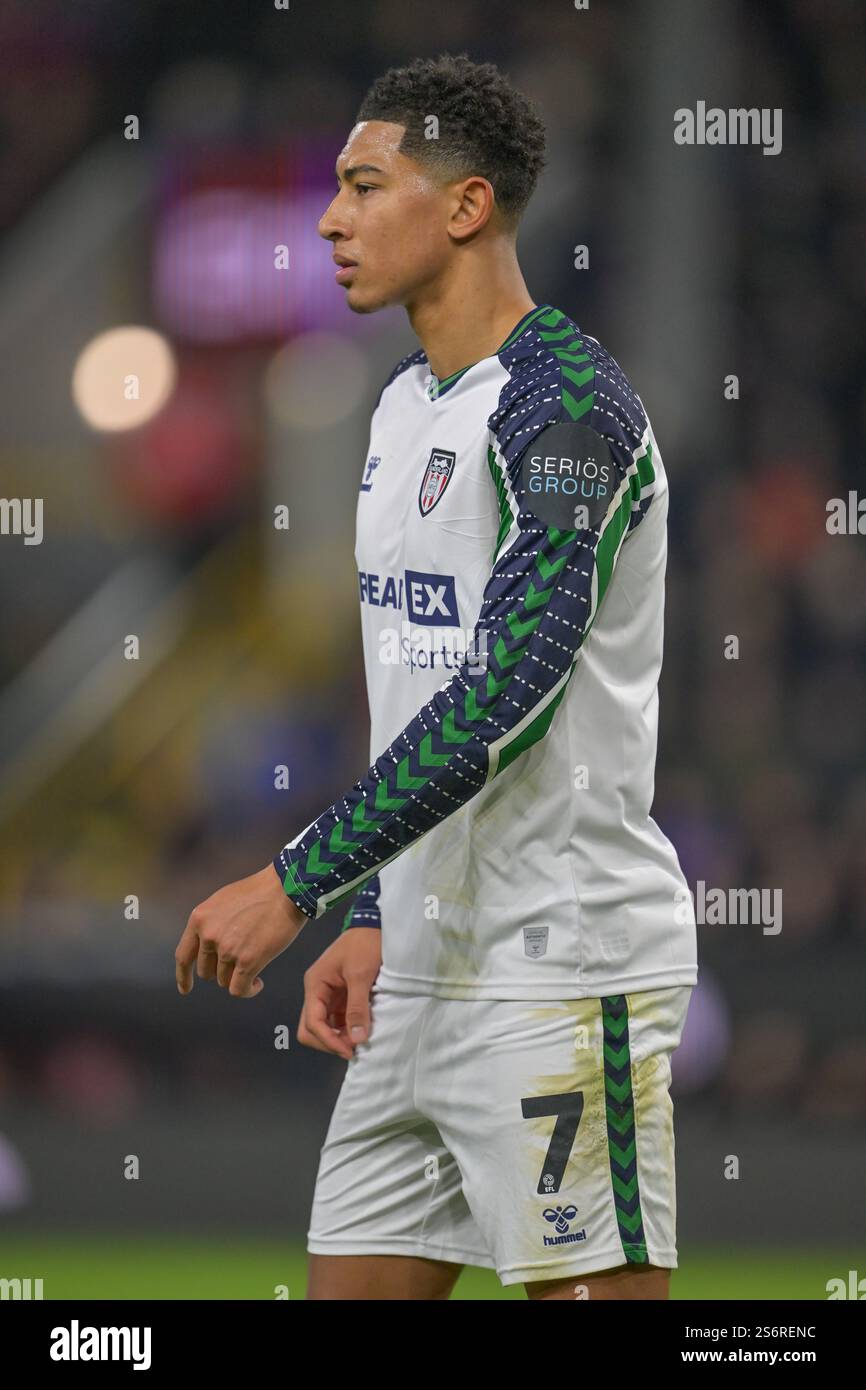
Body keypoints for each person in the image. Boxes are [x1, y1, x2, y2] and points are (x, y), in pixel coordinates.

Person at [175, 52, 697, 1302]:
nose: (328, 218)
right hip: (412, 978)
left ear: (464, 206)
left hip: (554, 968)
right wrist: (372, 912)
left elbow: (505, 694)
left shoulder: (567, 408)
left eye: (363, 186)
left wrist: (298, 880)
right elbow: (416, 684)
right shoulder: (400, 404)